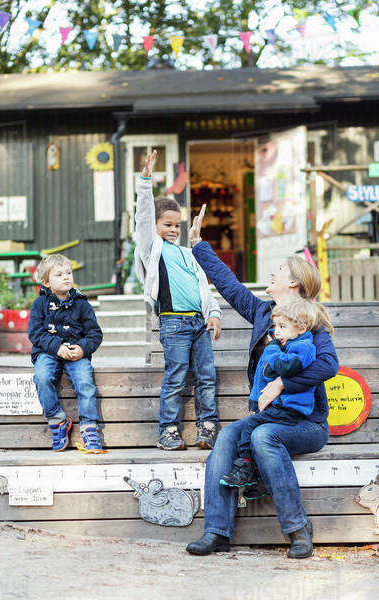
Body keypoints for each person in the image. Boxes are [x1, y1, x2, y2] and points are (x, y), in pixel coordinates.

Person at [185, 205, 338, 559]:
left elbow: (329, 365)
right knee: (227, 436)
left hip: (306, 423)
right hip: (268, 417)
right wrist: (199, 246)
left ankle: (298, 530)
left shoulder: (310, 321)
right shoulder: (261, 313)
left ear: (294, 283)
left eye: (279, 270)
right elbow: (228, 284)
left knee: (262, 436)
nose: (271, 273)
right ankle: (217, 531)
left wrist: (283, 384)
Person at [134, 151, 222, 451]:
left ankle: (208, 427)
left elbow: (203, 287)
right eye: (167, 224)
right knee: (175, 377)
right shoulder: (151, 249)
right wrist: (145, 181)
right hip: (172, 323)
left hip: (199, 324)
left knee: (206, 375)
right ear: (156, 227)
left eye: (177, 225)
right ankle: (168, 430)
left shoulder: (187, 253)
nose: (173, 230)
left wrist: (214, 313)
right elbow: (143, 216)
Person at [220, 297, 320, 489]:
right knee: (248, 429)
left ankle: (245, 468)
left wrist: (272, 349)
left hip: (290, 411)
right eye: (275, 326)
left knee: (250, 427)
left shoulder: (304, 347)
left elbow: (288, 367)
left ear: (301, 328)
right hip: (280, 407)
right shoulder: (288, 346)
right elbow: (264, 376)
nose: (276, 331)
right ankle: (259, 480)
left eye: (282, 326)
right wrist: (254, 402)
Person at [28, 254, 103, 453]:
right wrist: (56, 347)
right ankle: (57, 420)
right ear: (46, 282)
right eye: (59, 274)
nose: (66, 277)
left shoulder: (82, 304)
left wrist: (83, 348)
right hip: (48, 351)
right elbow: (35, 333)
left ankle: (89, 426)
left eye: (68, 273)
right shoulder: (39, 304)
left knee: (85, 382)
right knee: (42, 377)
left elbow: (95, 333)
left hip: (75, 351)